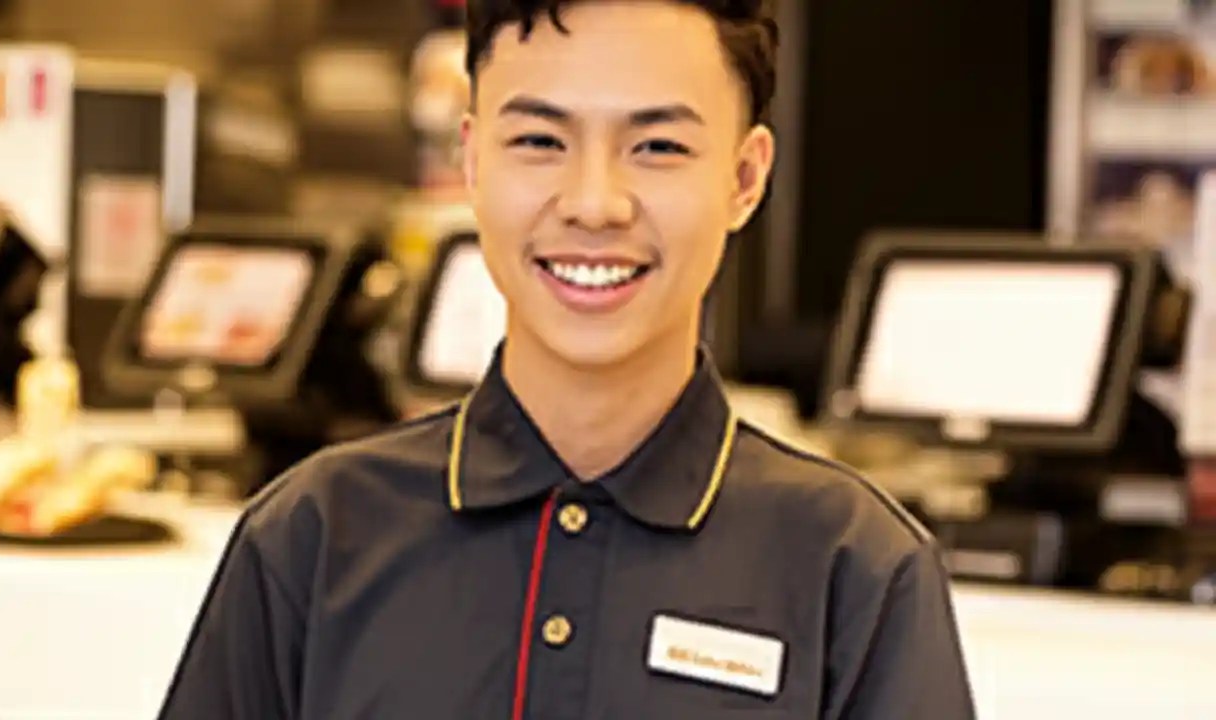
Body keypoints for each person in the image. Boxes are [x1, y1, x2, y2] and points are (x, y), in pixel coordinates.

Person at [158, 1, 977, 717]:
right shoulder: (312, 536)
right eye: (541, 139)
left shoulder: (858, 571)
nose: (594, 204)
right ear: (474, 163)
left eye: (656, 147)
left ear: (745, 177)